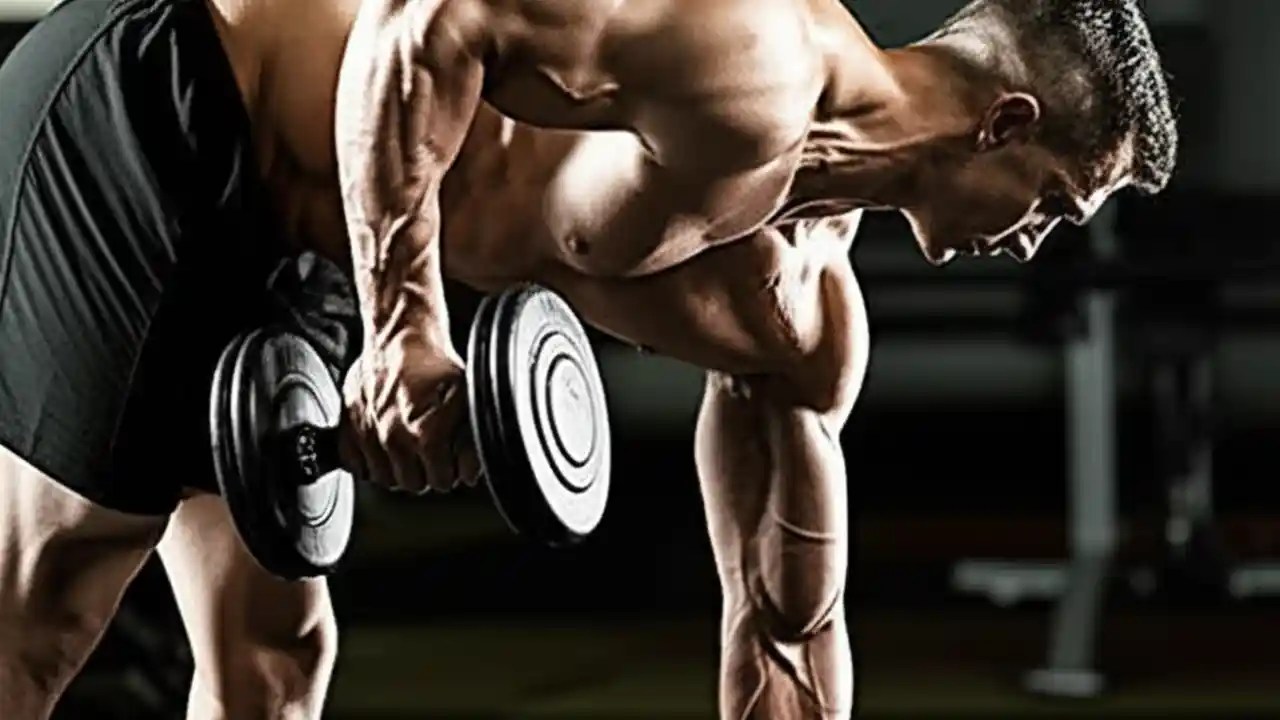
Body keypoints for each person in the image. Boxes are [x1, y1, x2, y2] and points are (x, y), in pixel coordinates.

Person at [0, 0, 1176, 715]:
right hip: (162, 94)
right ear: (1005, 124)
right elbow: (424, 30)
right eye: (1055, 206)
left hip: (310, 237)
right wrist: (407, 326)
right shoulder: (749, 50)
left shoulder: (801, 324)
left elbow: (784, 627)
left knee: (276, 655)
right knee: (49, 606)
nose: (1035, 241)